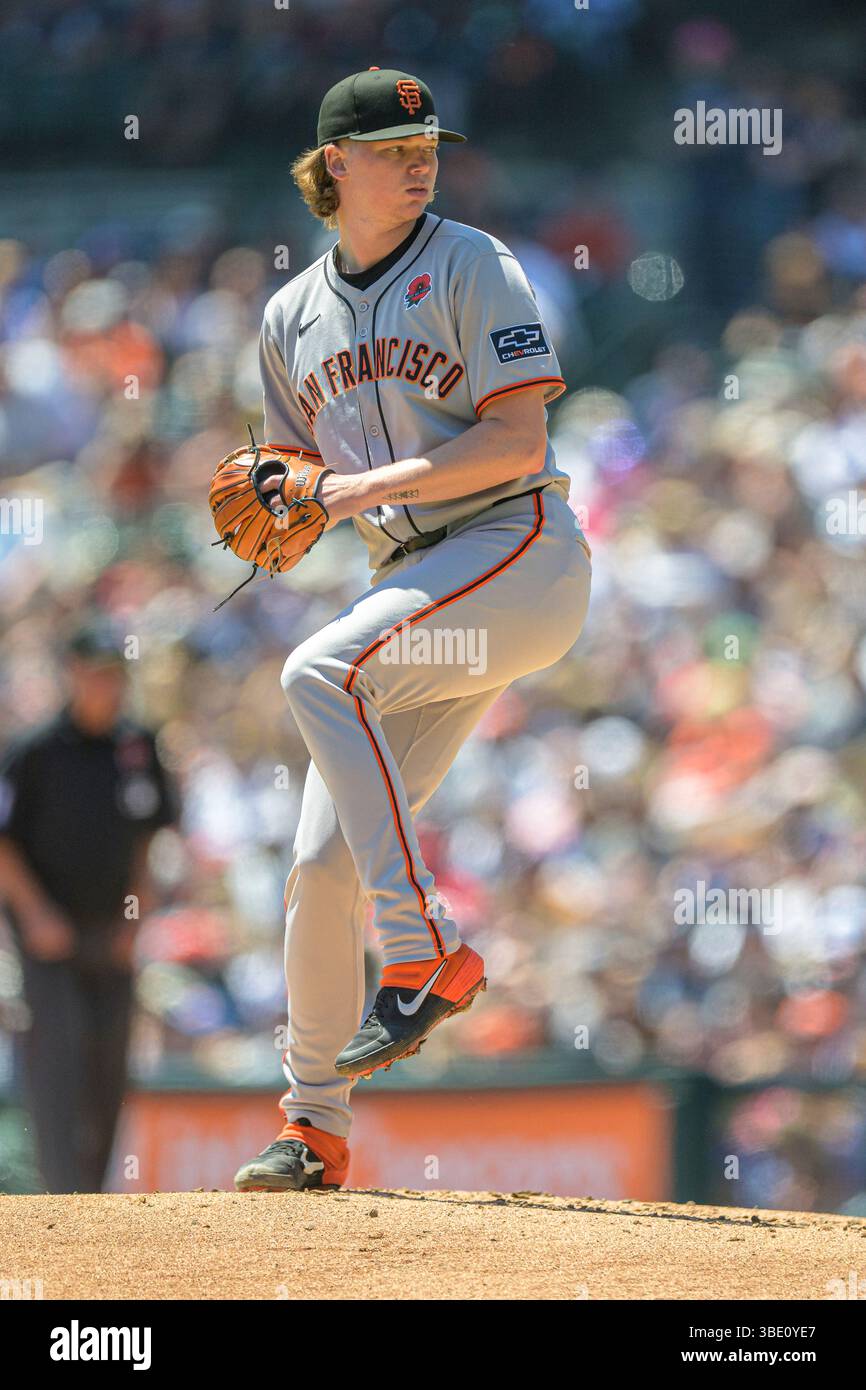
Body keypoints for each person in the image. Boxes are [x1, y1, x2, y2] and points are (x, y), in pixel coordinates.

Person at [233, 68, 592, 1193]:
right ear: (334, 164)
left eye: (427, 139)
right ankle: (313, 1130)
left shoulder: (470, 262)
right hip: (419, 583)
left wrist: (341, 493)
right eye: (393, 145)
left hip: (515, 550)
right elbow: (289, 470)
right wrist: (284, 494)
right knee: (316, 863)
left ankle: (422, 944)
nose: (419, 156)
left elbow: (515, 444)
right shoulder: (288, 316)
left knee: (318, 667)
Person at [0, 620, 178, 1193]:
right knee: (58, 1060)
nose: (106, 686)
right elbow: (4, 842)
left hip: (113, 935)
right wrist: (35, 916)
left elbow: (150, 837)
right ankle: (61, 1200)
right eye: (95, 674)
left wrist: (136, 917)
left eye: (113, 675)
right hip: (50, 939)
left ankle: (93, 1201)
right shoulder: (35, 752)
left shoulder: (136, 746)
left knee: (109, 1064)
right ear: (72, 675)